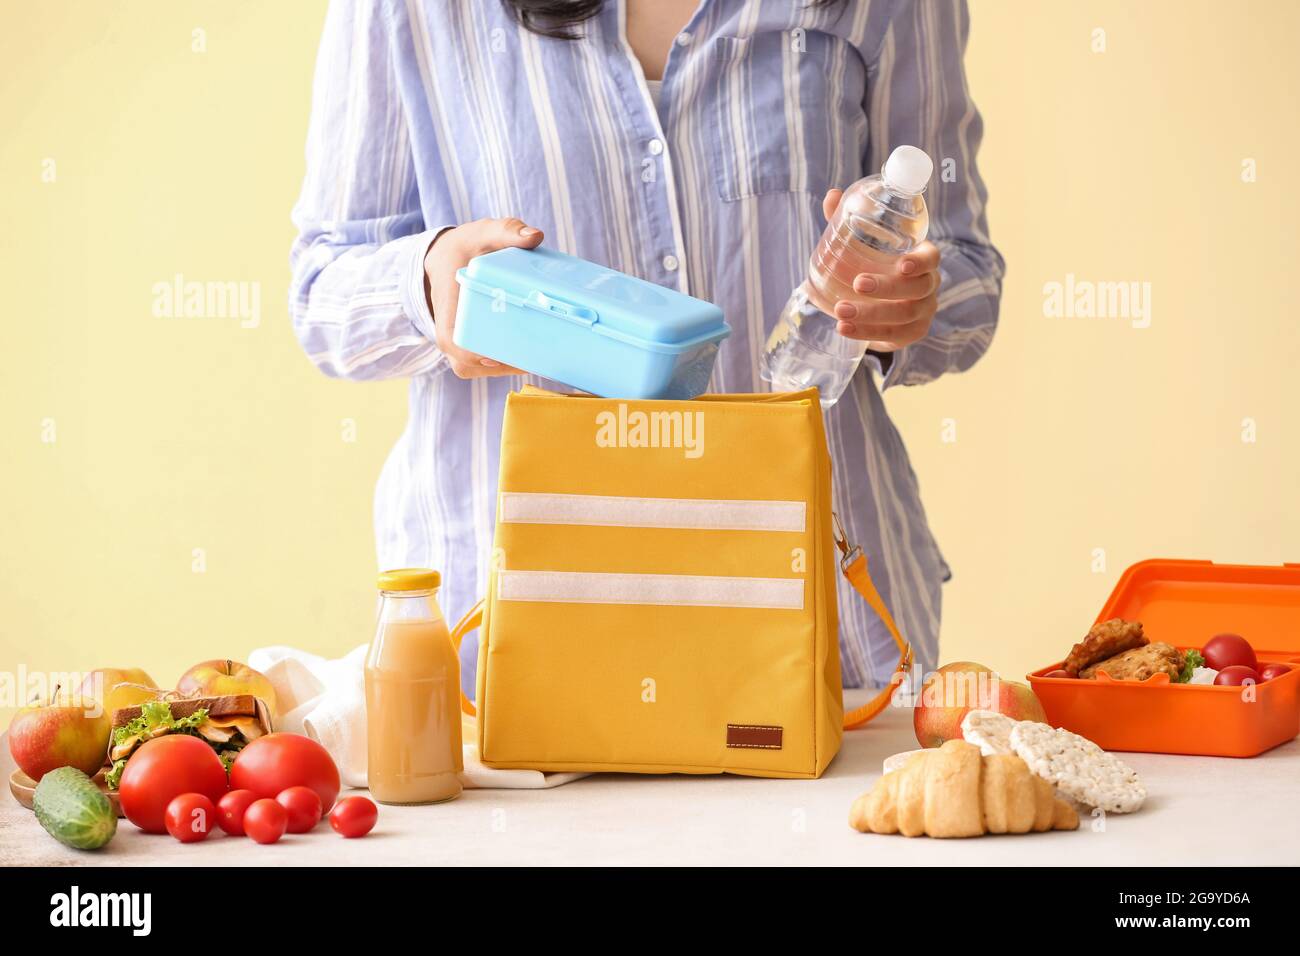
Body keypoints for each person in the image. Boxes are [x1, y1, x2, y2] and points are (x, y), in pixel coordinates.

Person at [290, 0, 1003, 694]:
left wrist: (912, 306)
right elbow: (323, 293)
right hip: (518, 627)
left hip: (826, 620)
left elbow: (968, 271)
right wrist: (426, 282)